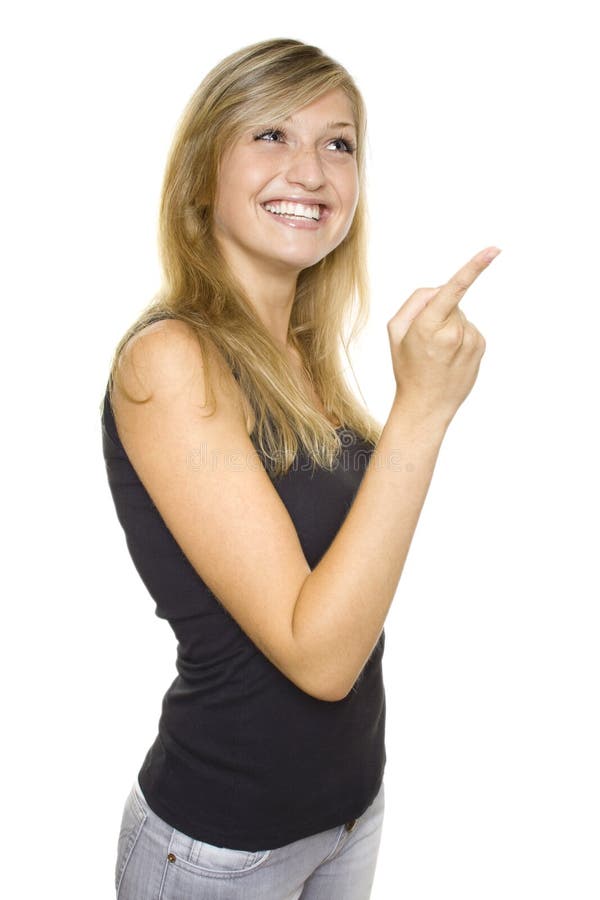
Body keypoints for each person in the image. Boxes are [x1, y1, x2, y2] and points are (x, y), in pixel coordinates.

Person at [100, 37, 500, 900]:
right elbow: (320, 656)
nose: (312, 172)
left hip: (346, 813)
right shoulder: (169, 360)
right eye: (272, 135)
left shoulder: (300, 358)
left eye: (339, 143)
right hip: (220, 851)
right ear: (204, 171)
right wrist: (421, 413)